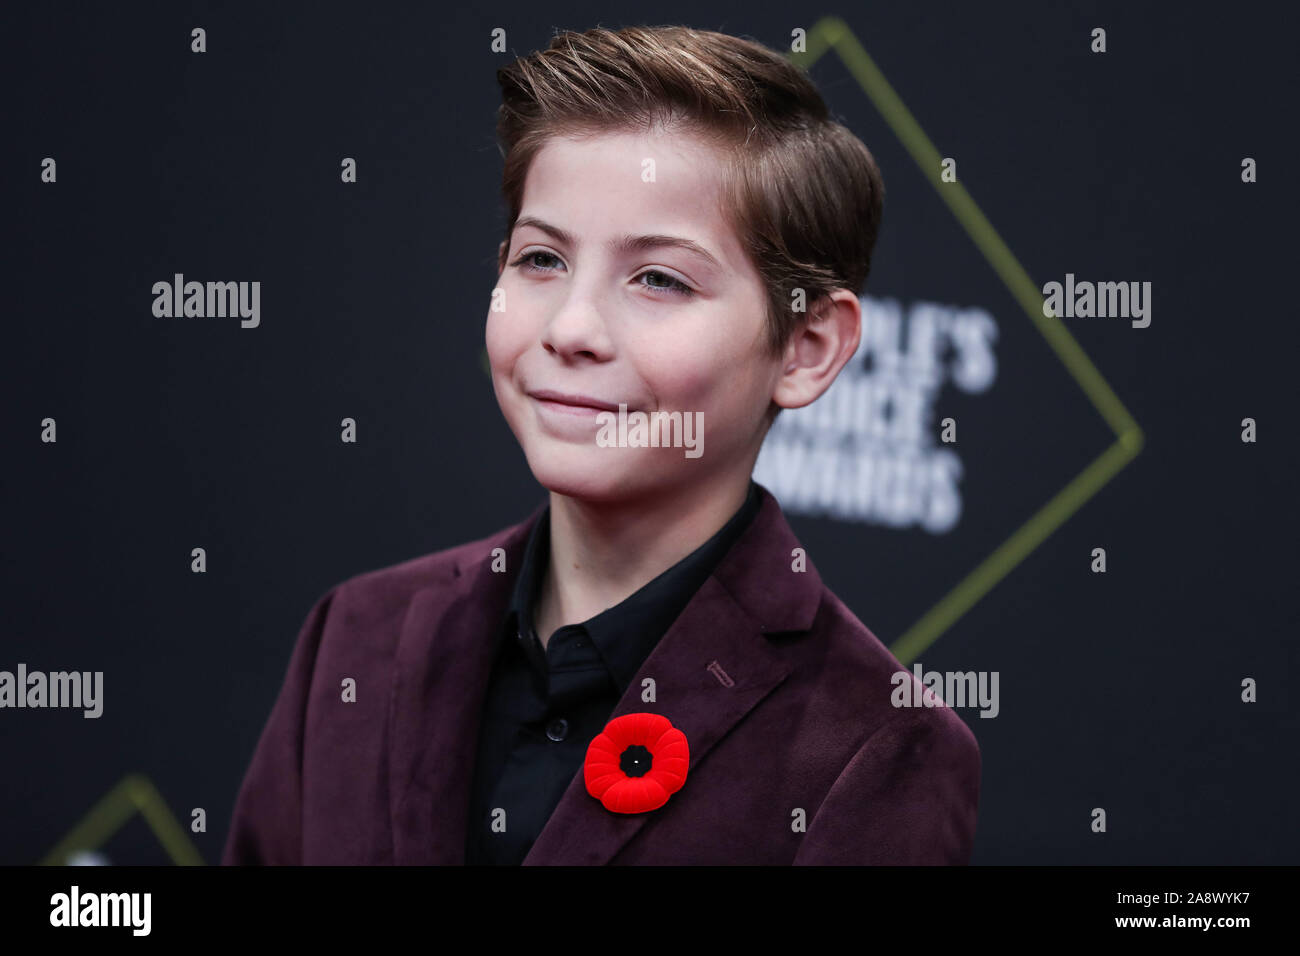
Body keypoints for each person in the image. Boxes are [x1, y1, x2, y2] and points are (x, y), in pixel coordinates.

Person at [222, 24, 979, 866]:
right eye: (541, 259)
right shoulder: (357, 636)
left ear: (806, 349)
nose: (571, 328)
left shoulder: (876, 747)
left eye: (659, 278)